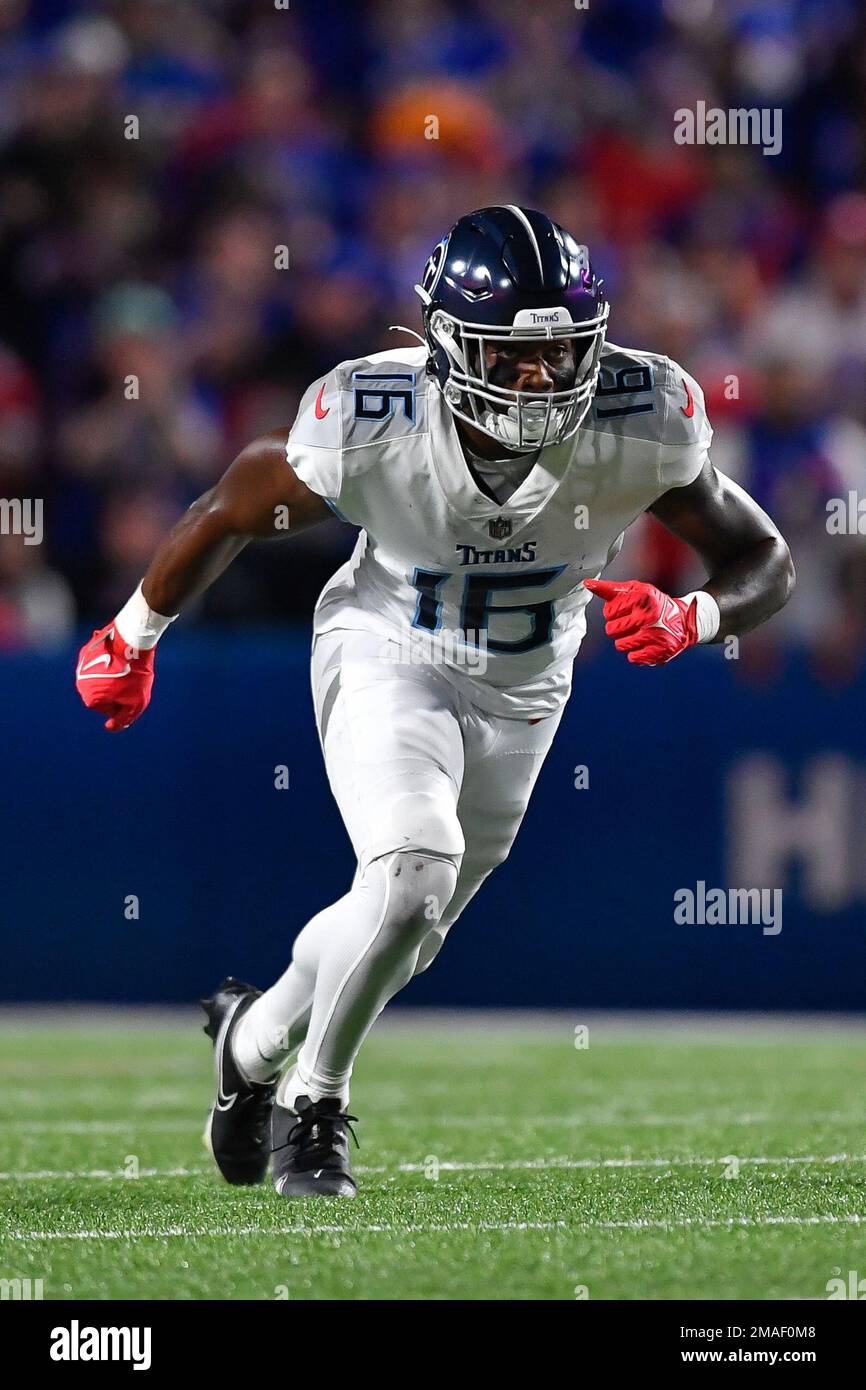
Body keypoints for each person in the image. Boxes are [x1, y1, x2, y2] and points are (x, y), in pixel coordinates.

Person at [75, 206, 794, 1198]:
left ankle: (253, 1040)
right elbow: (232, 502)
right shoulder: (375, 420)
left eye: (562, 355)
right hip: (387, 650)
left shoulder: (641, 411)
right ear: (451, 345)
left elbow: (761, 557)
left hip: (528, 687)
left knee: (406, 923)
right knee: (414, 868)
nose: (542, 381)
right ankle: (313, 1111)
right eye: (513, 357)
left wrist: (695, 617)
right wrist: (132, 633)